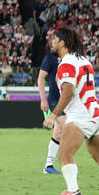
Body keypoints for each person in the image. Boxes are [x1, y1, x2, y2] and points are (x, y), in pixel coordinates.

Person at [47, 27, 99, 195]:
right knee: (97, 153)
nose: (51, 41)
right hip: (96, 114)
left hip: (81, 116)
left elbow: (68, 93)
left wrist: (53, 115)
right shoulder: (84, 60)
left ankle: (73, 191)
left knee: (65, 154)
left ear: (63, 43)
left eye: (55, 39)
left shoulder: (66, 63)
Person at [37, 25, 66, 174]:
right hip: (55, 99)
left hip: (67, 100)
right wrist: (43, 99)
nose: (52, 42)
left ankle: (48, 166)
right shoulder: (49, 58)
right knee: (68, 129)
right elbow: (41, 79)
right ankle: (67, 163)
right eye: (51, 40)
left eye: (54, 39)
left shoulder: (68, 58)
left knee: (58, 133)